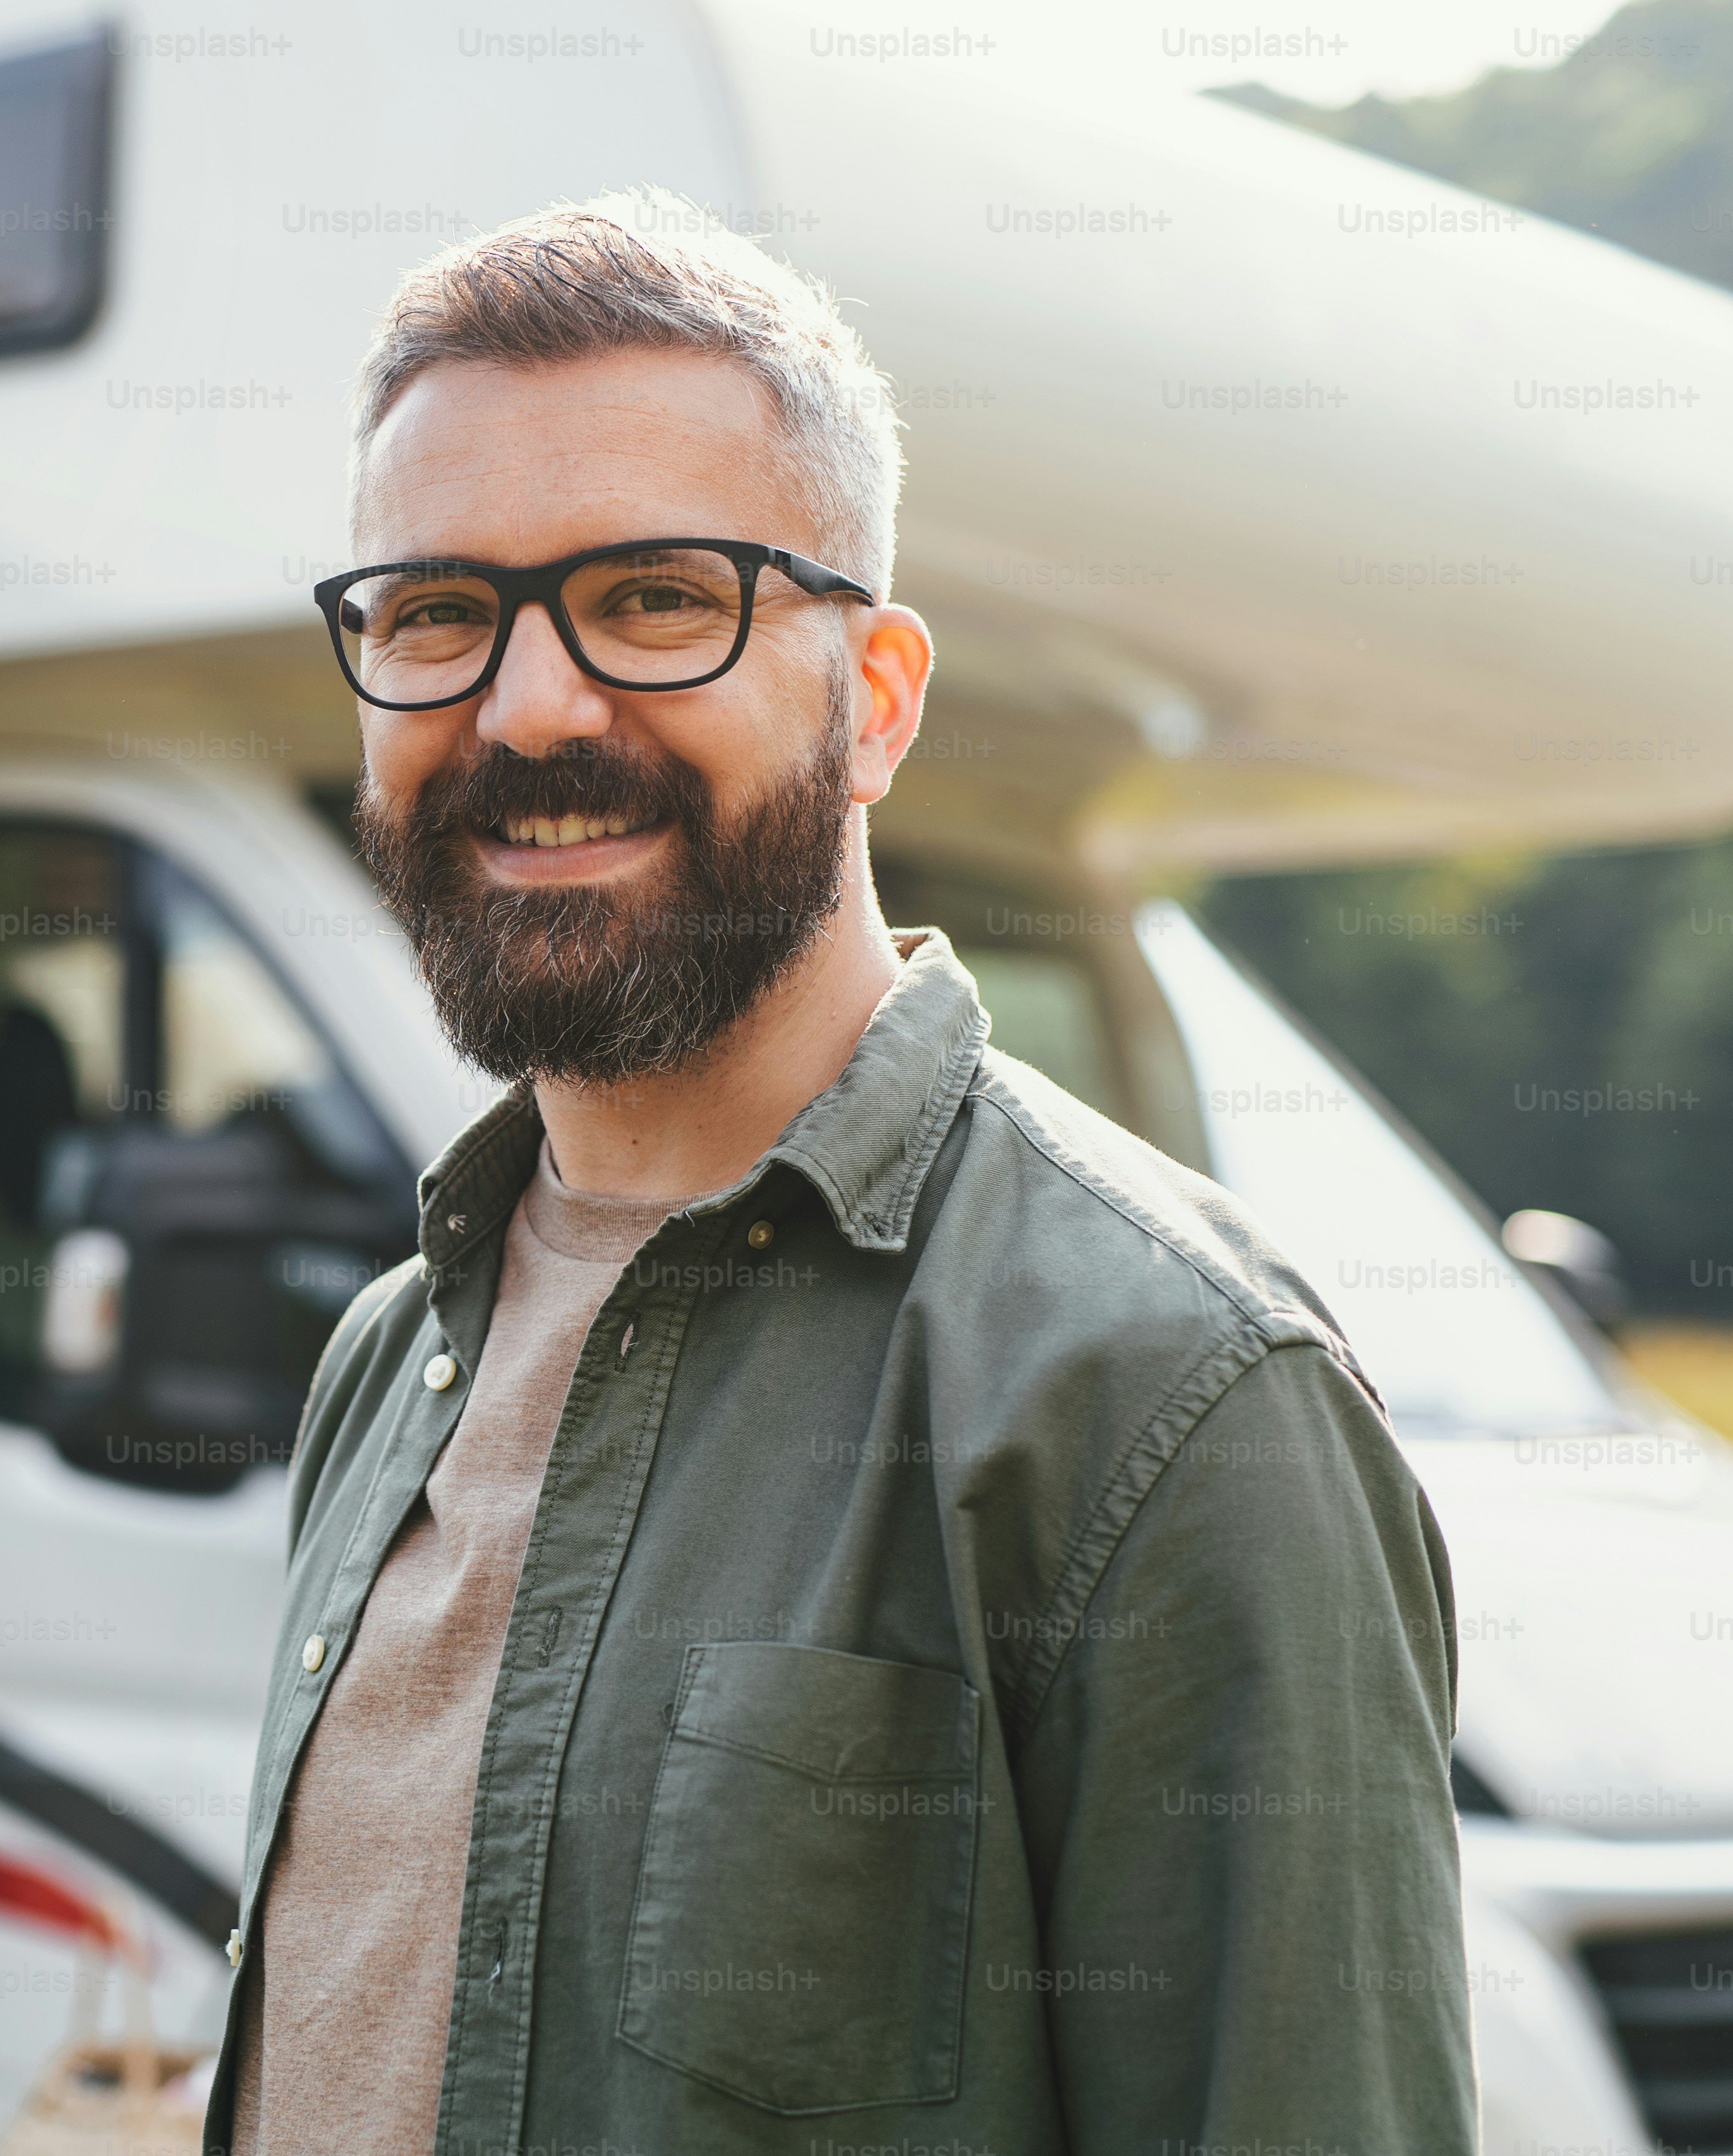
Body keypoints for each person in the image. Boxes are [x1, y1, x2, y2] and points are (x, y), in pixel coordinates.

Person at [210, 198, 1474, 2152]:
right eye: (438, 614)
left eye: (653, 599)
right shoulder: (388, 1360)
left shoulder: (1173, 1396)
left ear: (873, 699)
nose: (529, 708)